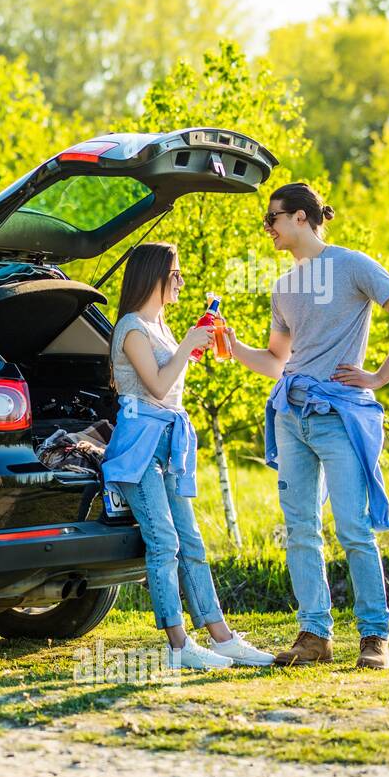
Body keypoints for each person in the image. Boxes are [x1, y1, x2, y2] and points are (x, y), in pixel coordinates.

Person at [227, 183, 389, 669]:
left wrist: (380, 376)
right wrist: (232, 347)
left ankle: (375, 637)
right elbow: (279, 361)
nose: (267, 229)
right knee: (300, 529)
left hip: (340, 415)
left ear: (299, 217)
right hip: (291, 416)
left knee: (355, 529)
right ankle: (314, 635)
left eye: (271, 219)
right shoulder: (282, 287)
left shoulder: (352, 265)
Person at [102, 242, 274, 671]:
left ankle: (222, 637)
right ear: (153, 277)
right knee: (165, 541)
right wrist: (187, 347)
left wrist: (201, 342)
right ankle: (178, 645)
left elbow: (171, 386)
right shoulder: (132, 328)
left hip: (169, 443)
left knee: (192, 541)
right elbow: (157, 388)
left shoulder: (159, 325)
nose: (180, 281)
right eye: (174, 273)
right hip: (139, 448)